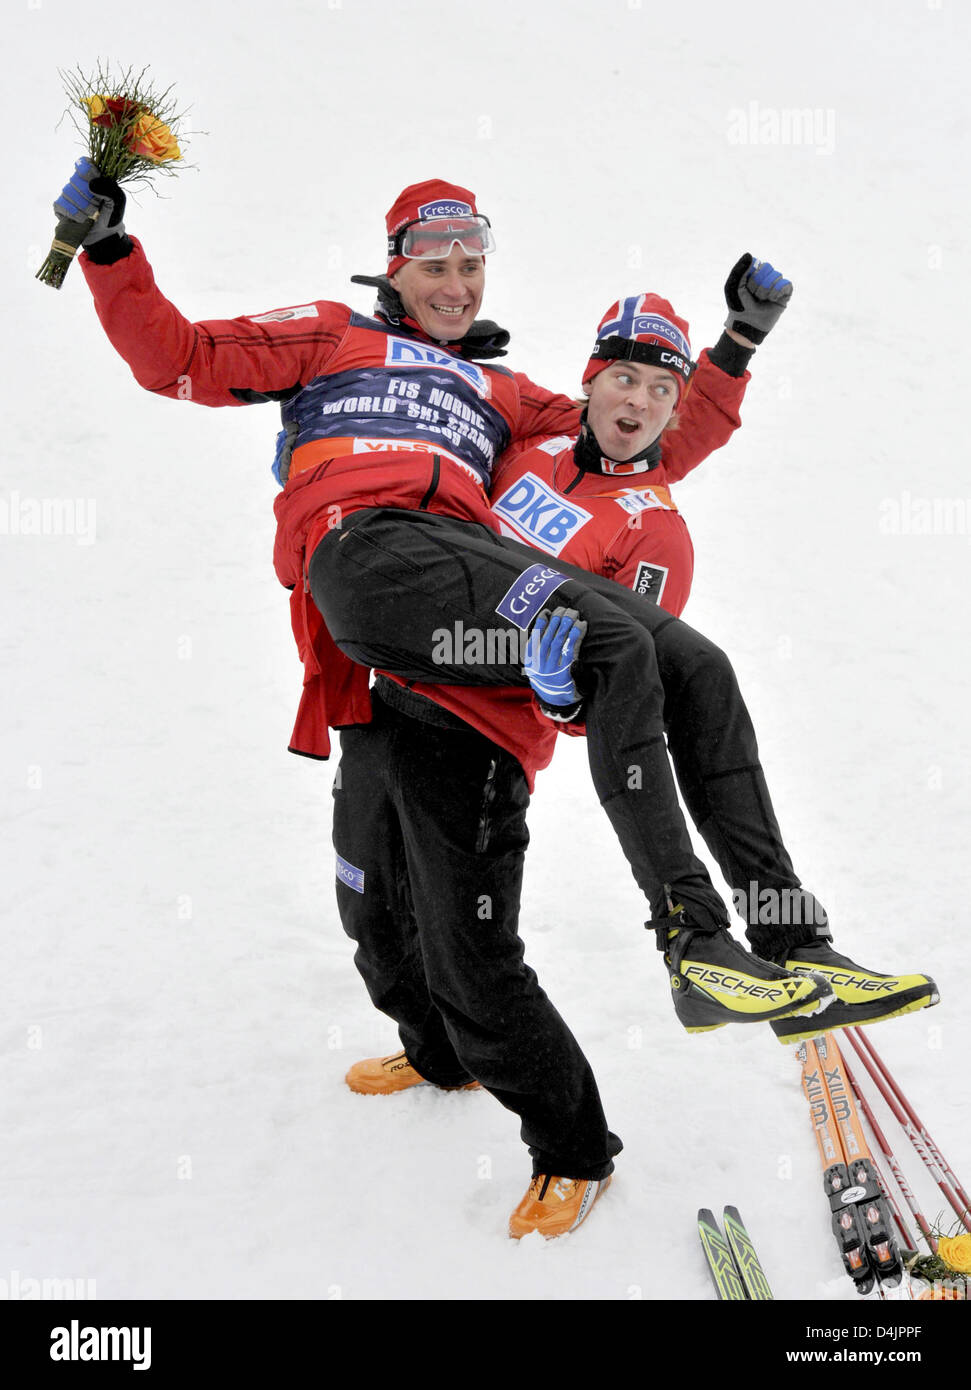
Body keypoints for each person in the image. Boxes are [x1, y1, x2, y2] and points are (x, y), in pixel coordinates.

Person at [56, 165, 938, 1240]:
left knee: (683, 668)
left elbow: (648, 432)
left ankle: (751, 948)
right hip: (376, 590)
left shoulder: (505, 400)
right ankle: (458, 1043)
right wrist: (109, 249)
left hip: (473, 677)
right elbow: (181, 359)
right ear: (395, 265)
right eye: (436, 263)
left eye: (472, 264)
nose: (457, 282)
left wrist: (731, 353)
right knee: (373, 918)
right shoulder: (337, 338)